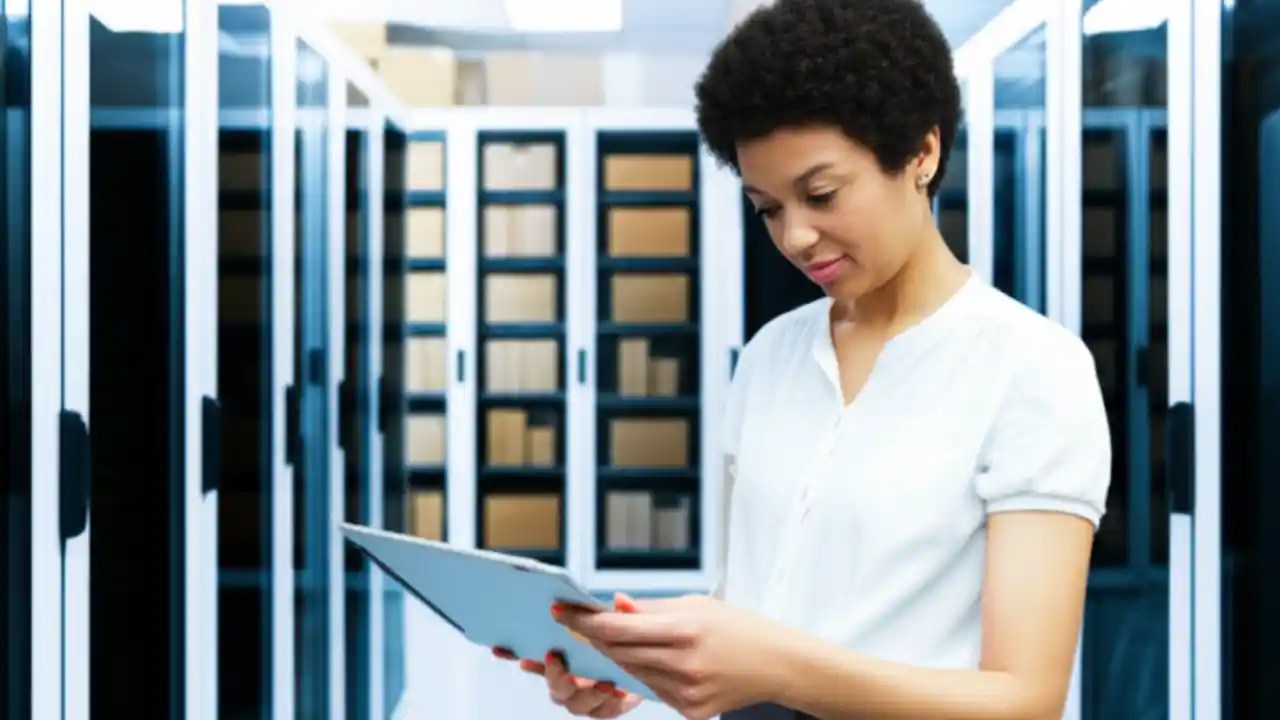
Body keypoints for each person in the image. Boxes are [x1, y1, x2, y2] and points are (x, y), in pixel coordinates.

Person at [494, 0, 1112, 718]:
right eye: (767, 208)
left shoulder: (1033, 368)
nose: (795, 237)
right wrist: (645, 665)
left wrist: (773, 670)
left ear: (922, 152)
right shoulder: (771, 356)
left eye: (821, 195)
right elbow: (758, 600)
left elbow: (1023, 701)